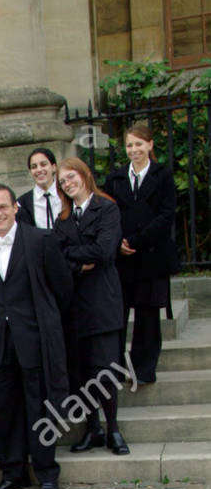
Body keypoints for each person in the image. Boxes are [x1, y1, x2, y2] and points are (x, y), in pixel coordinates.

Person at [0, 183, 73, 489]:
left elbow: (62, 289)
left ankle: (46, 473)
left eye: (3, 207)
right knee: (5, 411)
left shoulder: (40, 241)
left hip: (33, 340)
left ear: (15, 208)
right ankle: (13, 473)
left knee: (39, 409)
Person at [54, 157, 130, 455]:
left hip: (103, 302)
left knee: (105, 369)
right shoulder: (63, 219)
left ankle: (113, 429)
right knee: (83, 370)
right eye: (62, 182)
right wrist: (77, 262)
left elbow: (104, 250)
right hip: (75, 305)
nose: (67, 184)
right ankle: (92, 428)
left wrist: (74, 255)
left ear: (84, 175)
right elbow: (58, 258)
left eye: (71, 177)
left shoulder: (106, 208)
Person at [103, 121, 178, 386]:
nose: (134, 149)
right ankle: (117, 368)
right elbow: (109, 212)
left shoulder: (163, 174)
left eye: (138, 144)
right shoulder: (116, 178)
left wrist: (137, 239)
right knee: (119, 316)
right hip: (123, 258)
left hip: (151, 255)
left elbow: (166, 215)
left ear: (150, 145)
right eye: (129, 145)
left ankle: (144, 369)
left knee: (147, 316)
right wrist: (118, 242)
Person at [17, 147, 61, 230]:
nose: (39, 170)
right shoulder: (22, 203)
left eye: (43, 164)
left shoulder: (66, 194)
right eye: (34, 167)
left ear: (53, 167)